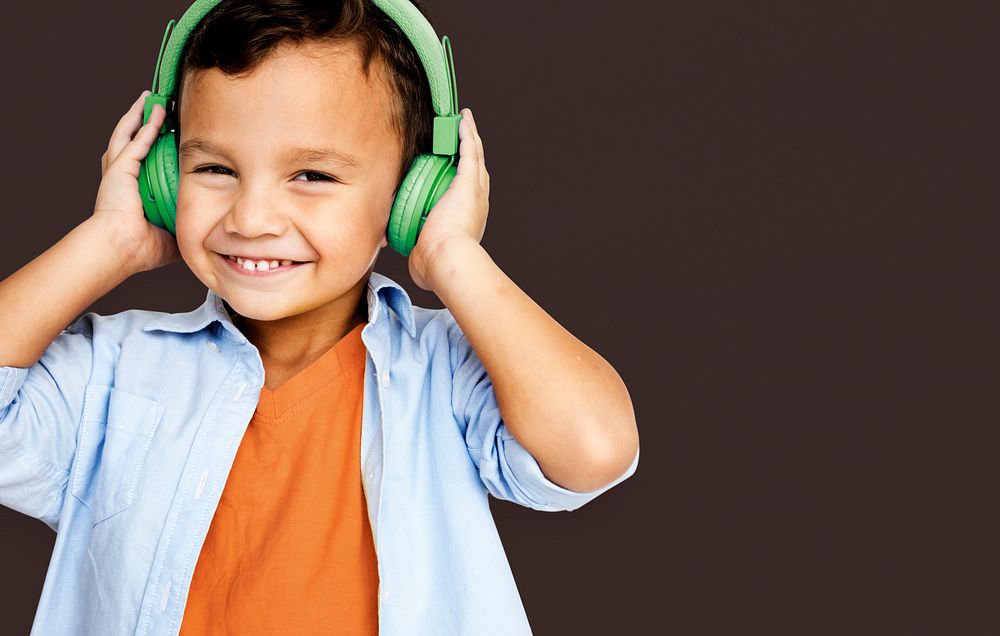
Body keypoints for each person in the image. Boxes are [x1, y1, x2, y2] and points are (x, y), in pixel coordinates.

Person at [0, 0, 640, 633]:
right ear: (165, 177)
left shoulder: (444, 375)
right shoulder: (115, 372)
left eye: (311, 175)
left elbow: (594, 449)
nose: (251, 219)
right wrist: (108, 240)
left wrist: (452, 254)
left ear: (411, 194)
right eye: (214, 168)